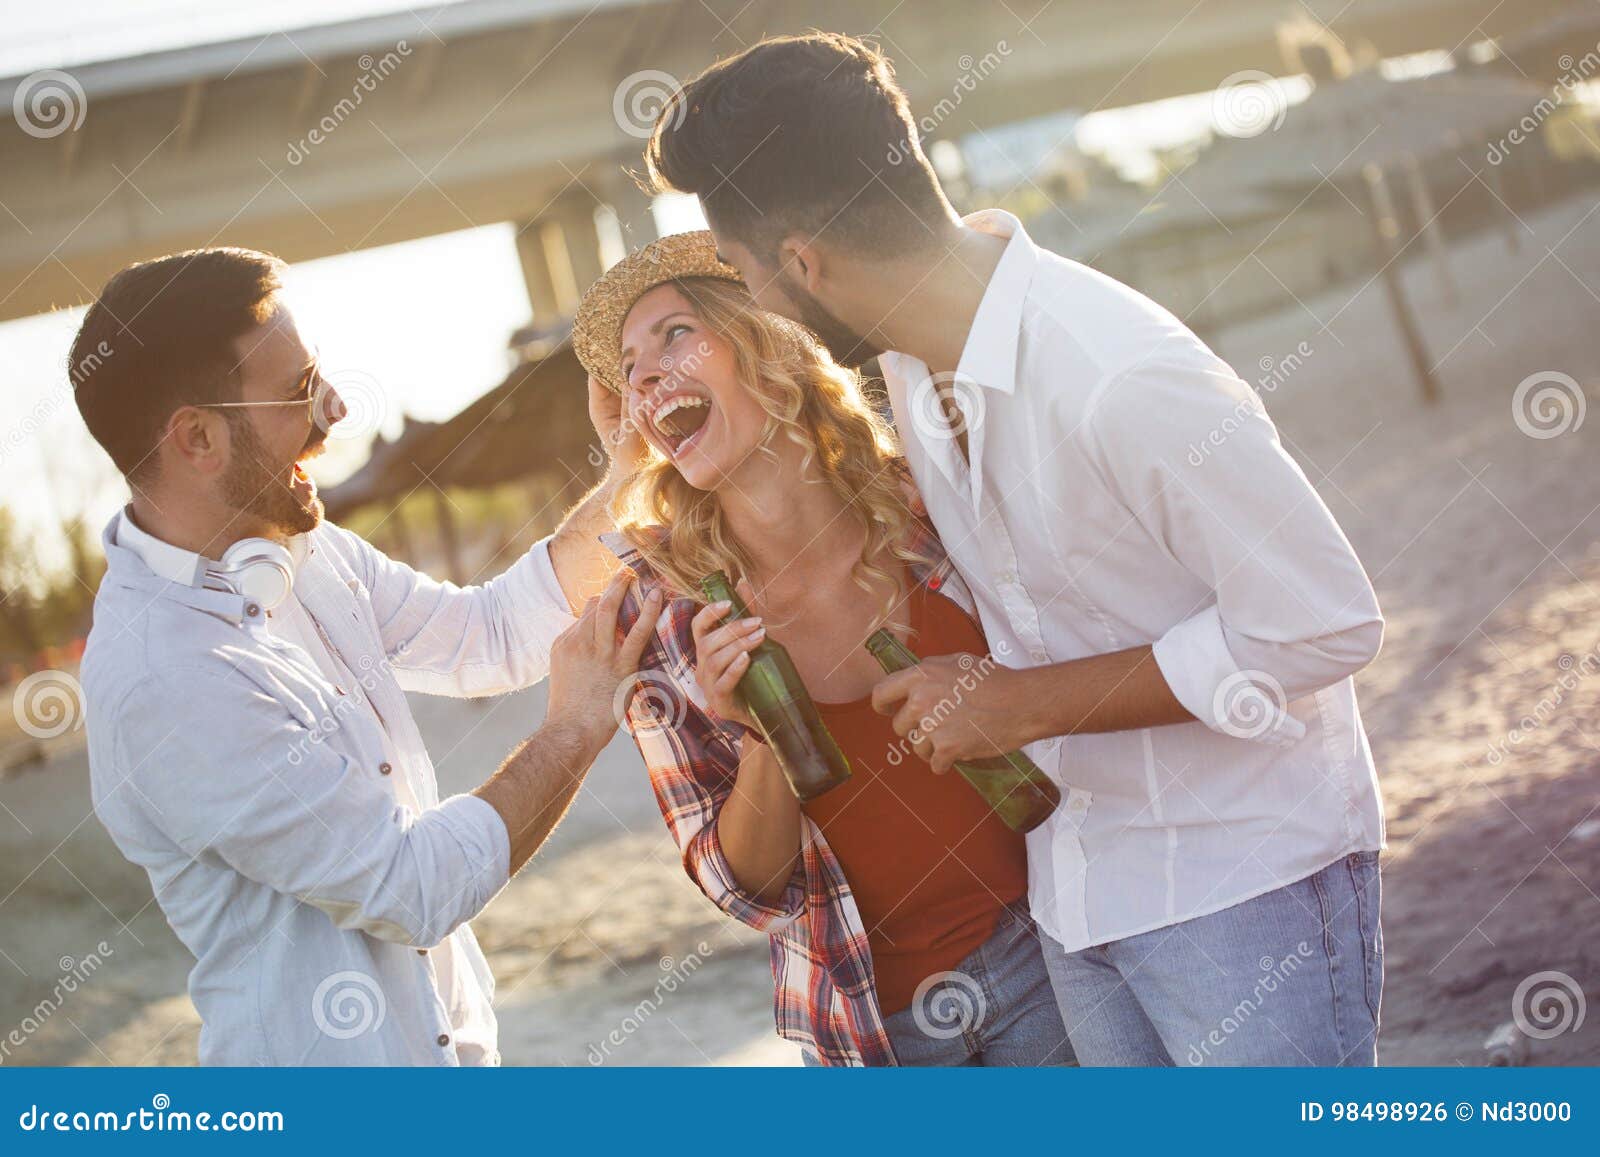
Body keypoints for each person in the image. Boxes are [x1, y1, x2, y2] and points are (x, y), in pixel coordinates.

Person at [640, 32, 1387, 1066]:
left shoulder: (1117, 372)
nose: (759, 304)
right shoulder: (910, 372)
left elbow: (1322, 621)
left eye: (746, 272)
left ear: (804, 261)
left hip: (1239, 885)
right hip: (1077, 895)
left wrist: (1020, 702)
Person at [71, 247, 662, 1065]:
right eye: (299, 390)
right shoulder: (165, 681)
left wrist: (625, 476)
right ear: (198, 437)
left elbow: (486, 634)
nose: (337, 408)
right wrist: (575, 728)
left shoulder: (300, 545)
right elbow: (413, 887)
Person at [559, 231, 1073, 1066]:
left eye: (676, 333)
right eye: (630, 368)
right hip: (879, 1034)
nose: (644, 375)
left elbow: (1068, 667)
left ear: (767, 340)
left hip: (1054, 958)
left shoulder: (930, 506)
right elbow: (744, 886)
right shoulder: (666, 623)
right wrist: (759, 734)